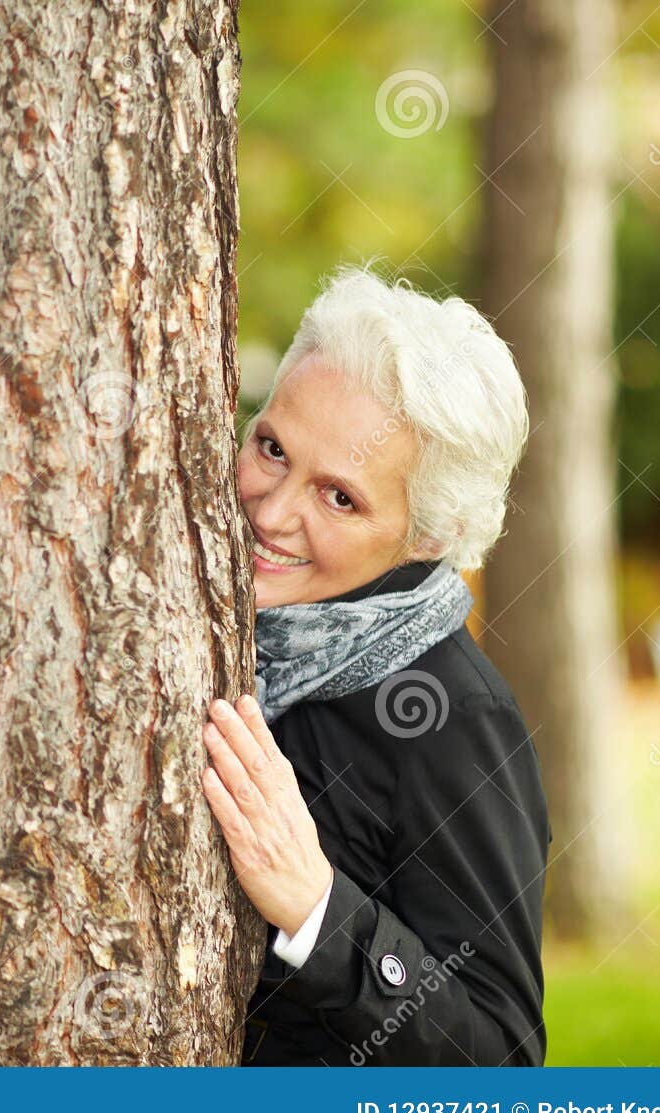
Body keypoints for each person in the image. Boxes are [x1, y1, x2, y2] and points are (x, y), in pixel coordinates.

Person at [199, 268, 551, 1065]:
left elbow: (501, 1066)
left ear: (427, 537)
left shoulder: (455, 720)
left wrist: (319, 910)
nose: (273, 510)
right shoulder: (202, 619)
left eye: (340, 498)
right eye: (273, 447)